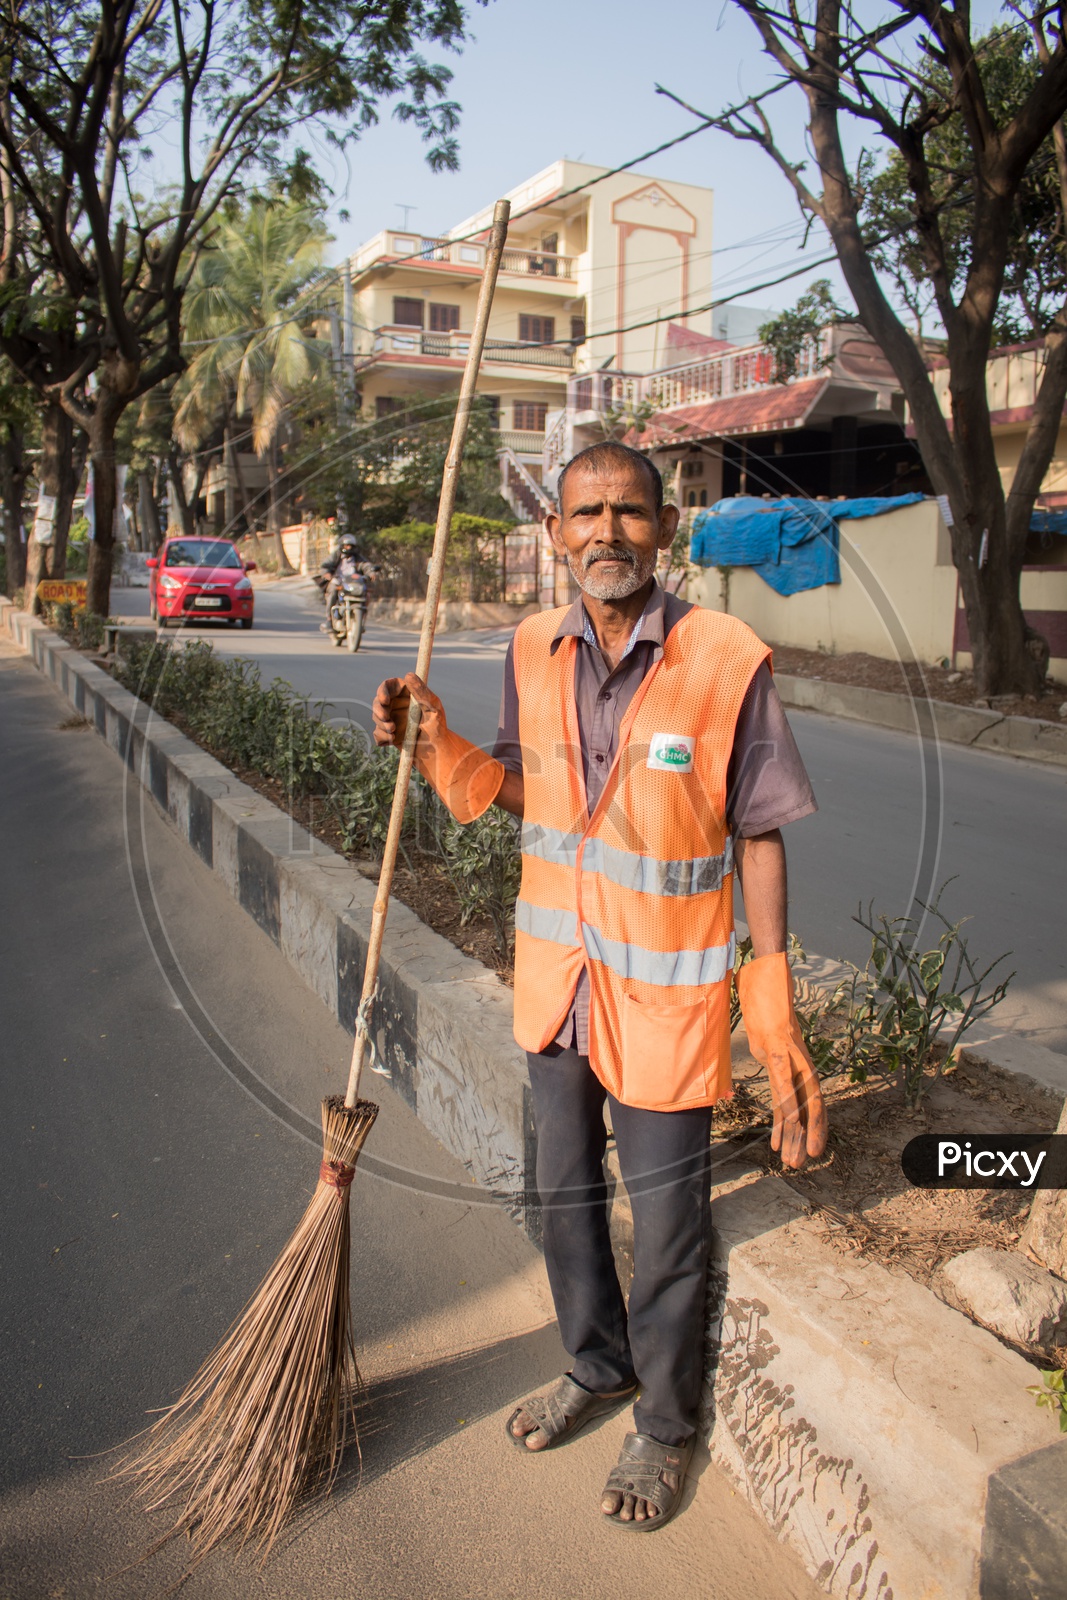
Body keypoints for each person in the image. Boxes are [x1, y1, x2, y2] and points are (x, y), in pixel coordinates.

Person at [371, 442, 827, 1533]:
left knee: (667, 1222)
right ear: (555, 534)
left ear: (662, 531)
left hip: (664, 997)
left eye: (628, 512)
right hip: (557, 981)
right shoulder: (532, 644)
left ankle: (663, 1425)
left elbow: (757, 831)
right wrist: (436, 742)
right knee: (559, 1195)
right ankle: (594, 1362)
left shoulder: (724, 656)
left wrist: (768, 988)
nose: (605, 531)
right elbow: (531, 786)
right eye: (586, 512)